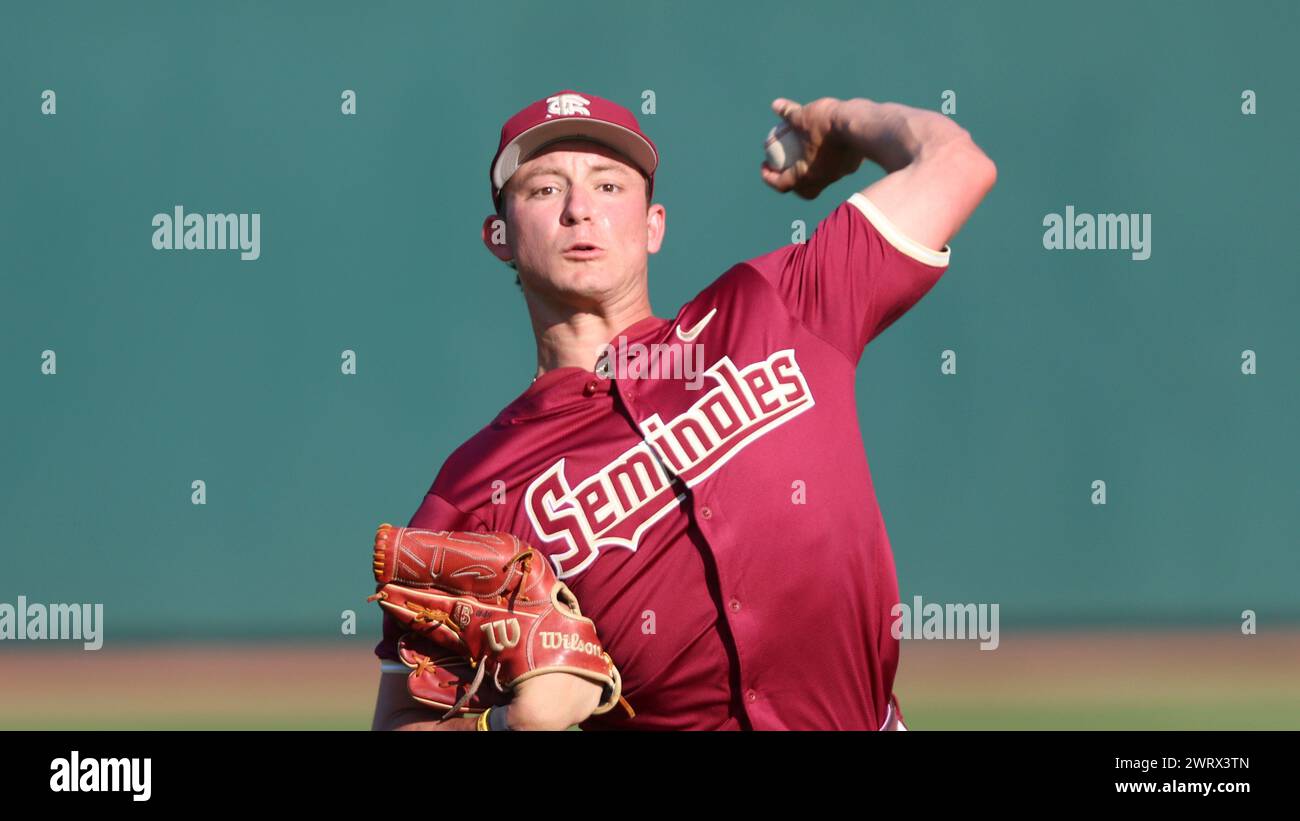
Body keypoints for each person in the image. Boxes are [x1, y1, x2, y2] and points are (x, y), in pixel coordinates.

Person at [371, 89, 996, 731]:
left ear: (654, 224)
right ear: (498, 237)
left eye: (610, 186)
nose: (580, 210)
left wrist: (839, 121)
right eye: (544, 190)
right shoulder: (472, 492)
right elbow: (402, 719)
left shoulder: (774, 309)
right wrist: (508, 725)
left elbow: (956, 164)